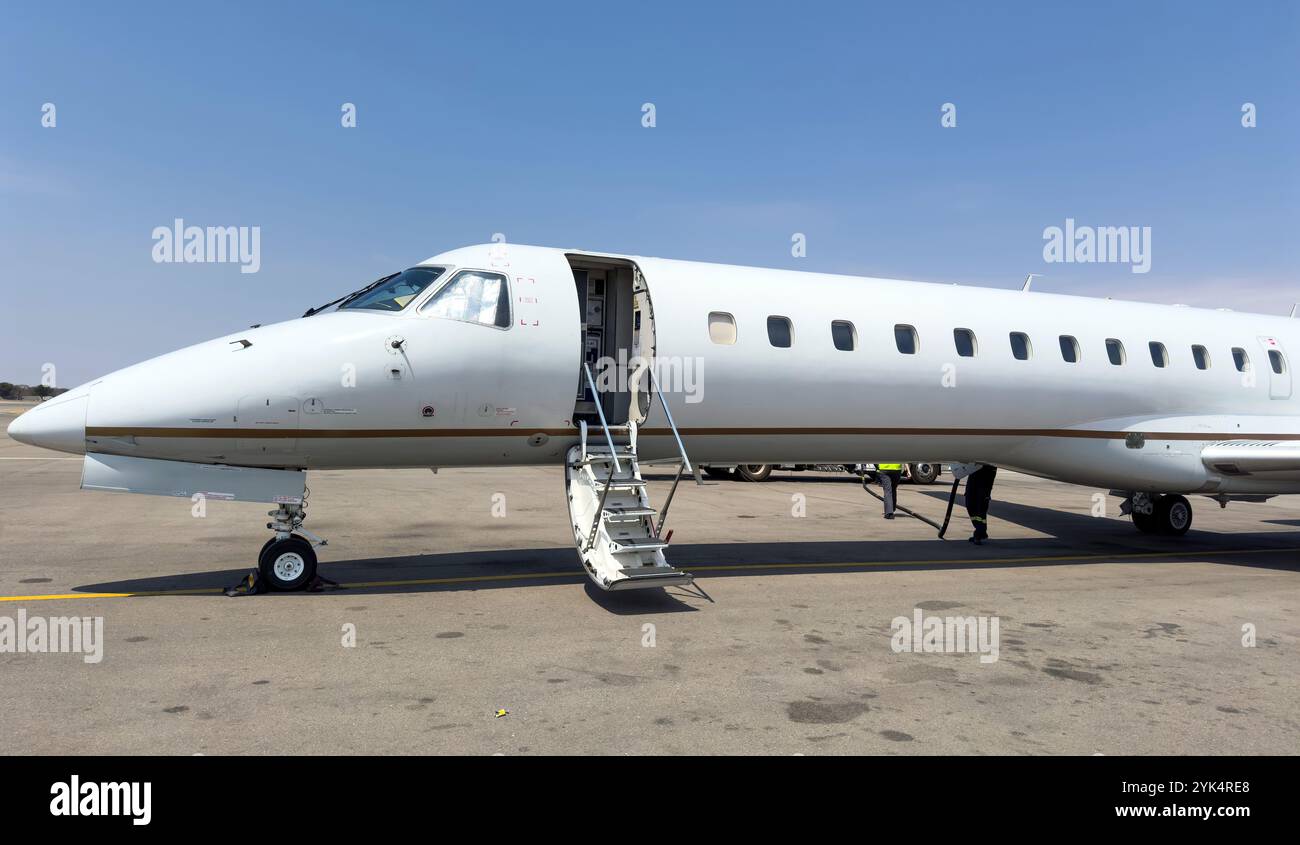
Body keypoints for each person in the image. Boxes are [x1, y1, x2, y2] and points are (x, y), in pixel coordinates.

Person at [964, 464, 998, 544]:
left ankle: (979, 533)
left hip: (986, 474)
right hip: (974, 471)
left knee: (981, 506)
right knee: (969, 502)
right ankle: (981, 531)